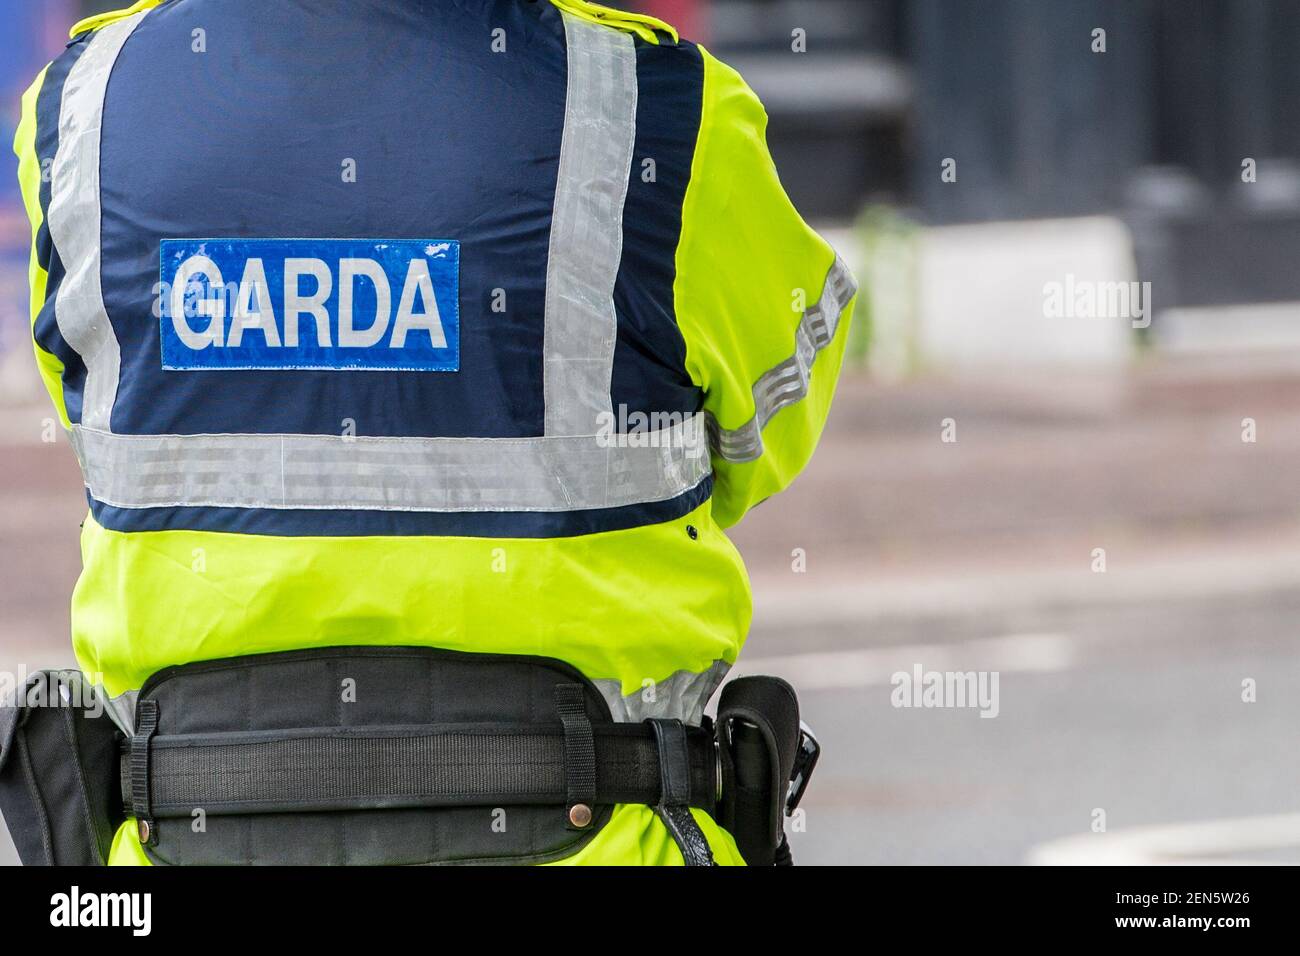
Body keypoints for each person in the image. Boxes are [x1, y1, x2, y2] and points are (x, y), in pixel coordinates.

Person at [9, 0, 855, 866]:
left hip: (185, 834)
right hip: (597, 831)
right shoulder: (659, 108)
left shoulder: (79, 104)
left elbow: (95, 428)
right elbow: (766, 429)